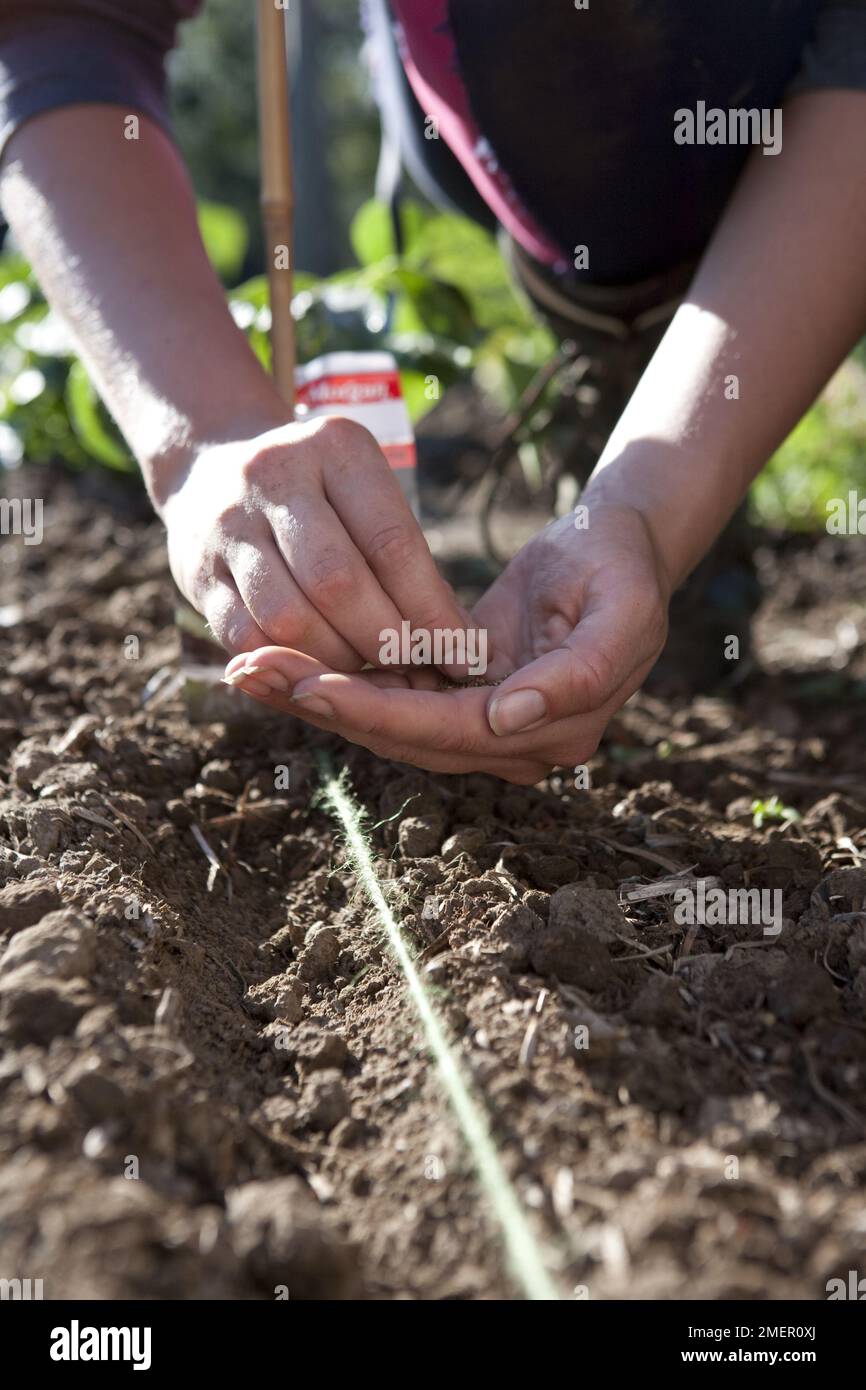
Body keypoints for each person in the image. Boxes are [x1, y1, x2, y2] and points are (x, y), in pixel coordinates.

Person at [1, 1, 865, 785]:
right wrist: (204, 437)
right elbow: (69, 26)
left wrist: (646, 508)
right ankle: (619, 333)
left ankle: (671, 377)